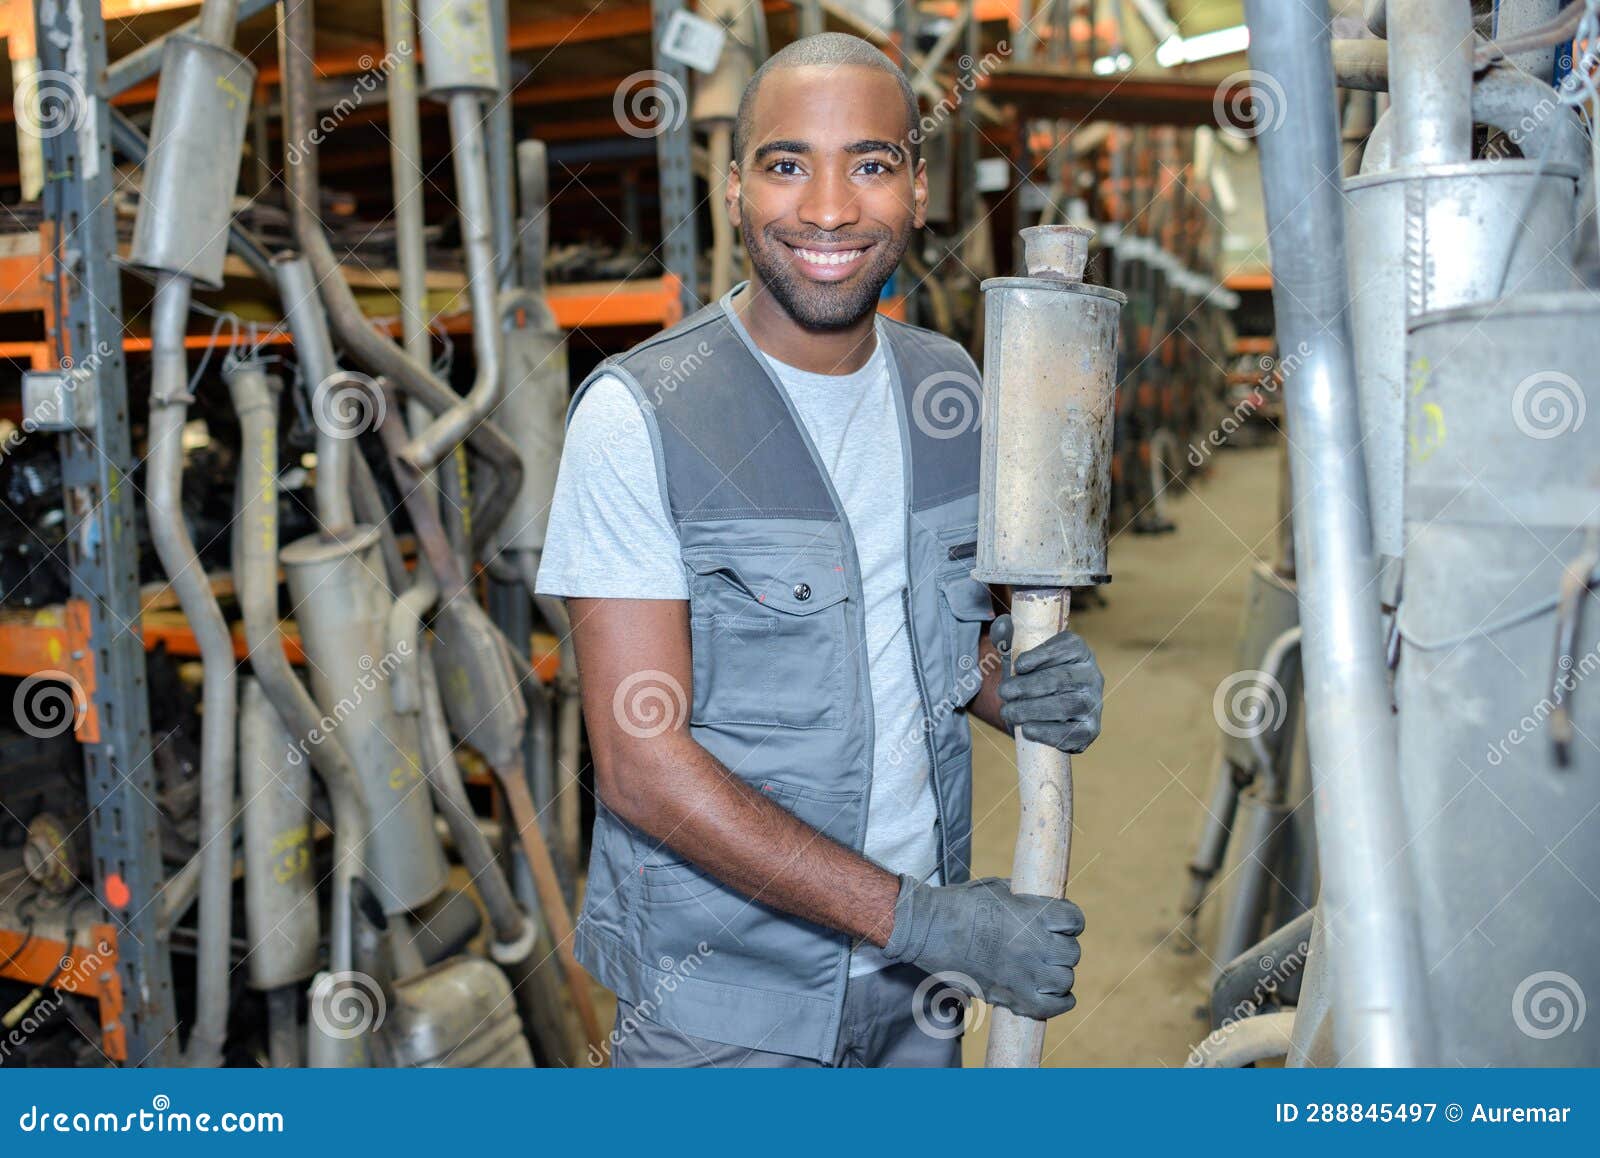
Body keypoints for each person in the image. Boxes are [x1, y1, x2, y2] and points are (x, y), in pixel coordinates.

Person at [535, 32, 1104, 1068]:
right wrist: (923, 920)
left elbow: (920, 644)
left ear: (917, 189)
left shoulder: (949, 392)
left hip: (914, 998)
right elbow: (640, 768)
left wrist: (1008, 687)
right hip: (721, 1008)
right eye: (787, 163)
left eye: (871, 165)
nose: (830, 209)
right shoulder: (640, 414)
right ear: (734, 187)